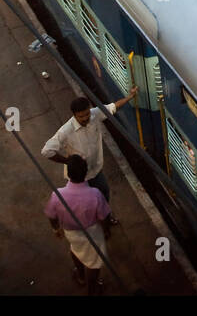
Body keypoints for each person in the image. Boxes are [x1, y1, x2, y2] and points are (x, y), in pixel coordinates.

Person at [42, 89, 139, 223]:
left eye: (87, 114)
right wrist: (67, 161)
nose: (85, 118)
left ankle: (105, 216)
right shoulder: (65, 131)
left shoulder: (95, 114)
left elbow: (113, 106)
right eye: (81, 116)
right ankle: (95, 219)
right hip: (79, 176)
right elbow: (46, 151)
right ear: (74, 115)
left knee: (104, 192)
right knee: (85, 201)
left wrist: (130, 97)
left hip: (95, 170)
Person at [44, 155, 112, 294]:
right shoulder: (95, 194)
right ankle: (91, 289)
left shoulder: (57, 195)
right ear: (86, 172)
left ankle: (80, 276)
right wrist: (106, 230)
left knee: (75, 250)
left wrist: (56, 229)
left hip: (71, 233)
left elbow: (51, 215)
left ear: (68, 173)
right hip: (92, 233)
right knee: (94, 263)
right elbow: (104, 216)